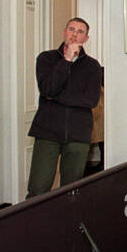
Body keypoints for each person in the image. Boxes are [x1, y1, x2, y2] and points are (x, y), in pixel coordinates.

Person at [26, 17, 103, 197]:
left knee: (71, 191)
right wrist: (66, 59)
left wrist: (56, 96)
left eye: (80, 32)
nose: (74, 34)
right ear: (64, 32)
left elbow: (90, 101)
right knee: (38, 188)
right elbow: (47, 88)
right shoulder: (46, 59)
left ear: (86, 39)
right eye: (71, 29)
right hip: (47, 132)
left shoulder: (93, 66)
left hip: (78, 134)